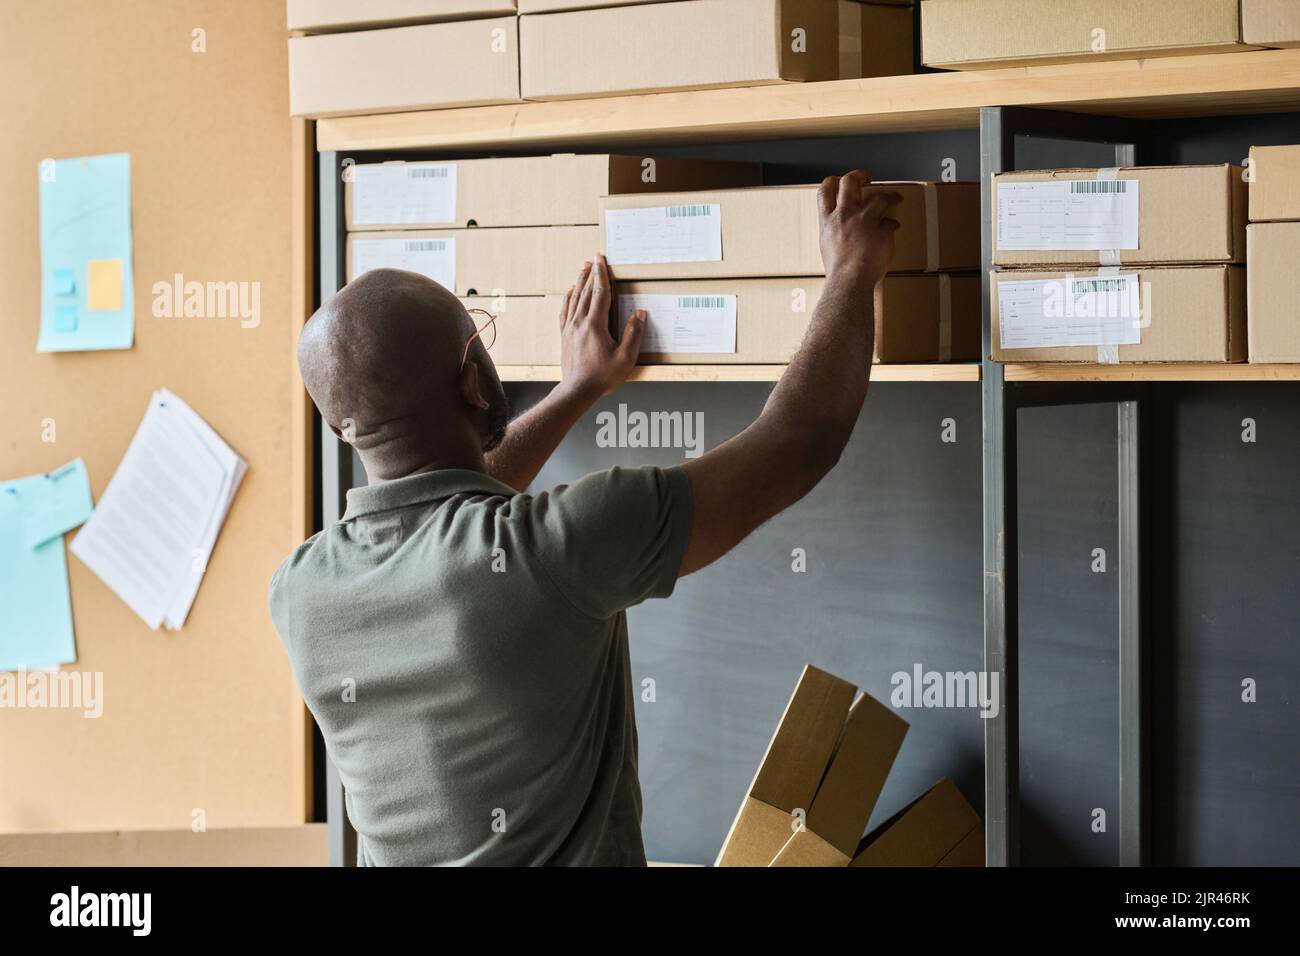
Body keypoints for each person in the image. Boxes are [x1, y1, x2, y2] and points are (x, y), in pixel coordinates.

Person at [269, 171, 902, 865]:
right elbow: (798, 444)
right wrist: (851, 271)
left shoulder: (299, 591)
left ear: (341, 430)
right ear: (475, 381)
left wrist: (577, 391)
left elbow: (442, 512)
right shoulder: (559, 549)